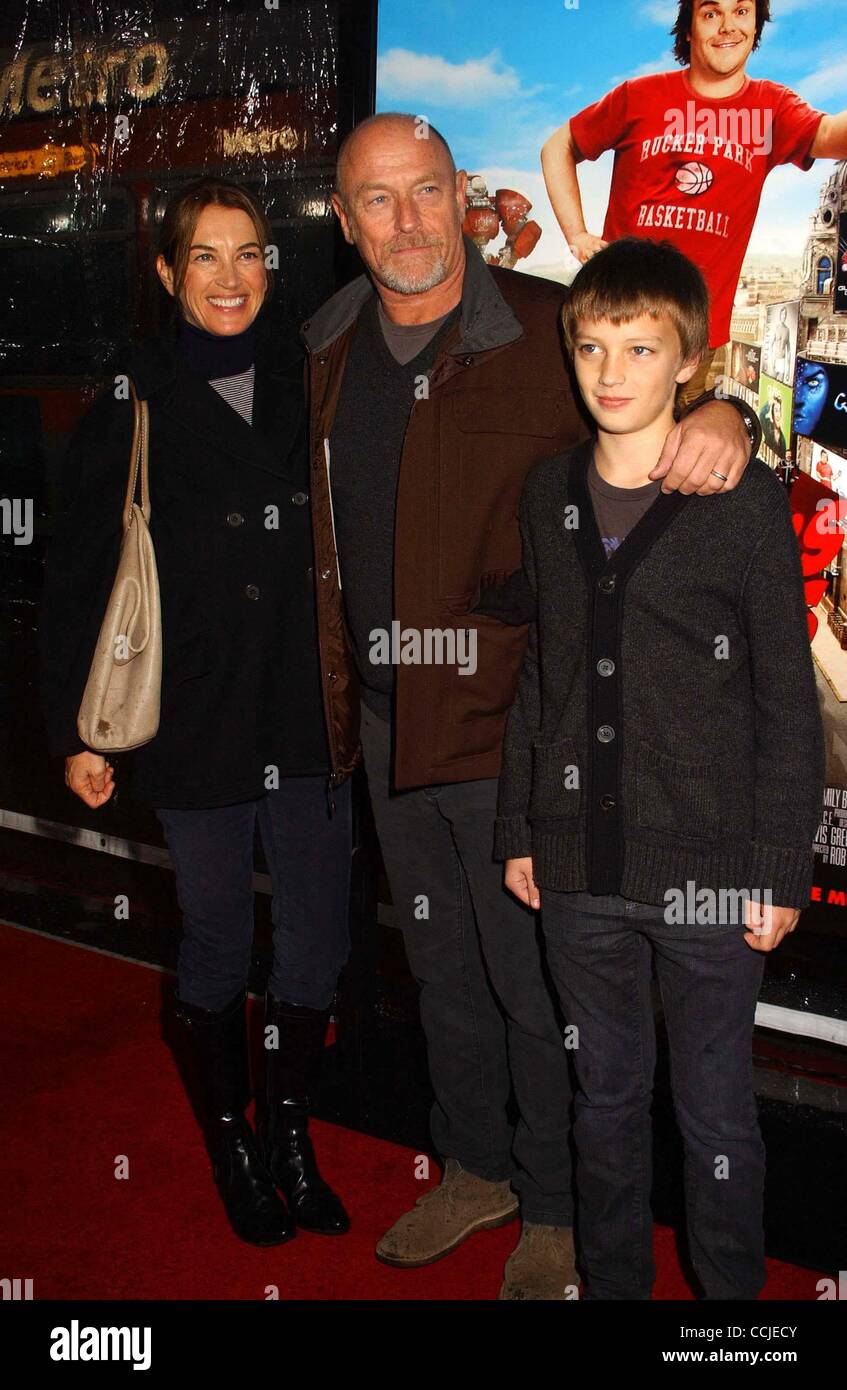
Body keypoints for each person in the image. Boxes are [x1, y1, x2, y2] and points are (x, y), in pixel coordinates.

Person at [301, 110, 761, 1298]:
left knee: (534, 986)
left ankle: (556, 1207)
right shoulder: (326, 344)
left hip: (509, 733)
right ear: (345, 223)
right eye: (376, 200)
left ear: (464, 193)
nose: (407, 222)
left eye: (425, 190)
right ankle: (475, 1166)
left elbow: (659, 390)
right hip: (385, 727)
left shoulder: (544, 333)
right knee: (439, 969)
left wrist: (733, 419)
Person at [497, 236, 825, 1300]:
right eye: (592, 346)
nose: (611, 372)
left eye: (641, 349)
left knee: (716, 1110)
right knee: (601, 1098)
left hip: (715, 877)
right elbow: (542, 673)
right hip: (578, 872)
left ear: (689, 361)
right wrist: (518, 829)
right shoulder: (548, 490)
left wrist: (780, 869)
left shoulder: (738, 506)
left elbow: (786, 698)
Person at [38, 179, 353, 1248]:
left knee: (316, 940)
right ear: (169, 274)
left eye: (250, 253)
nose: (231, 277)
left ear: (274, 264)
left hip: (306, 709)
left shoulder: (308, 375)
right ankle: (231, 1136)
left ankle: (293, 1132)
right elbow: (79, 573)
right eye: (205, 257)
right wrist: (77, 731)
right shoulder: (132, 393)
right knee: (218, 937)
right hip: (193, 715)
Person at [540, 0, 847, 406]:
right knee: (594, 456)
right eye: (710, 13)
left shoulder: (770, 108)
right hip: (615, 325)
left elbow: (830, 135)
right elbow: (557, 146)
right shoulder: (640, 96)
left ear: (756, 25)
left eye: (741, 12)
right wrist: (576, 234)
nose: (727, 26)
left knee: (677, 463)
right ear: (689, 28)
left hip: (693, 346)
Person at [759, 385, 787, 458]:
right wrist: (769, 402)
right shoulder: (768, 429)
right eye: (776, 411)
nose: (778, 415)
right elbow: (762, 415)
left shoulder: (783, 440)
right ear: (772, 413)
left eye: (779, 410)